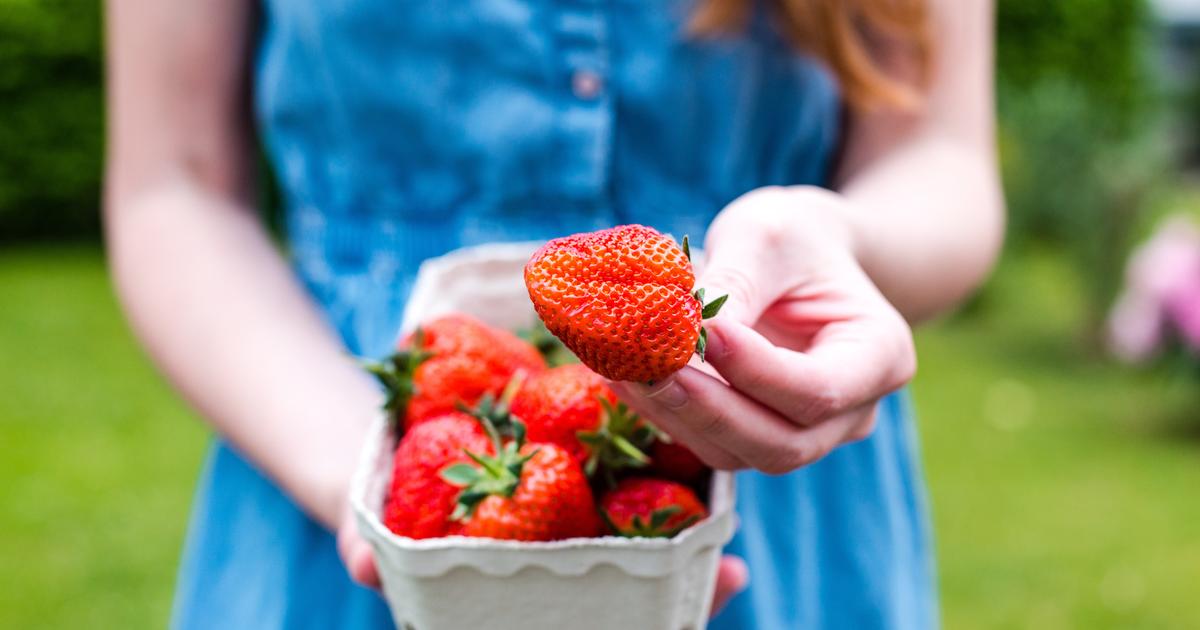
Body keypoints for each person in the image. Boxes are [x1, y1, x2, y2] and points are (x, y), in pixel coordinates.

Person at [104, 0, 1001, 627]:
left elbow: (942, 161)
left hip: (758, 437)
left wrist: (836, 236)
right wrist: (379, 484)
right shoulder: (384, 462)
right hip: (327, 426)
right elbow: (172, 187)